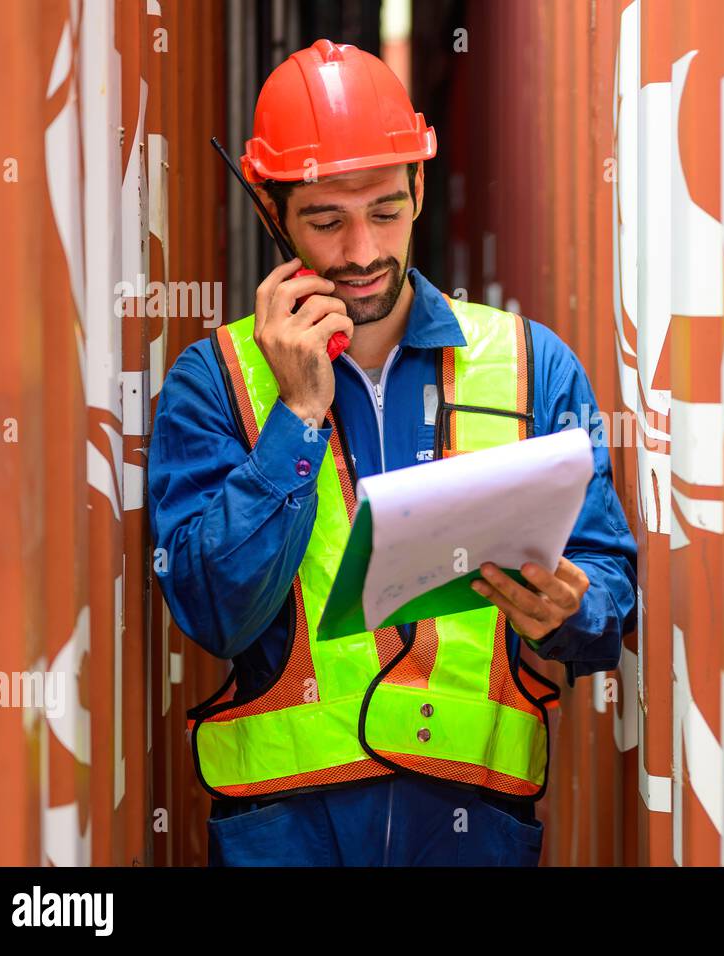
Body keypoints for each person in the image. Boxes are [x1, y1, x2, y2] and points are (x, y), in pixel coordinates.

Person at [147, 38, 637, 866]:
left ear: (418, 188)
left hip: (473, 829)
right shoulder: (216, 382)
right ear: (271, 212)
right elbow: (212, 613)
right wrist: (298, 415)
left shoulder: (531, 364)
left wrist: (574, 611)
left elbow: (607, 595)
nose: (361, 253)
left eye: (385, 210)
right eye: (325, 220)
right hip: (287, 838)